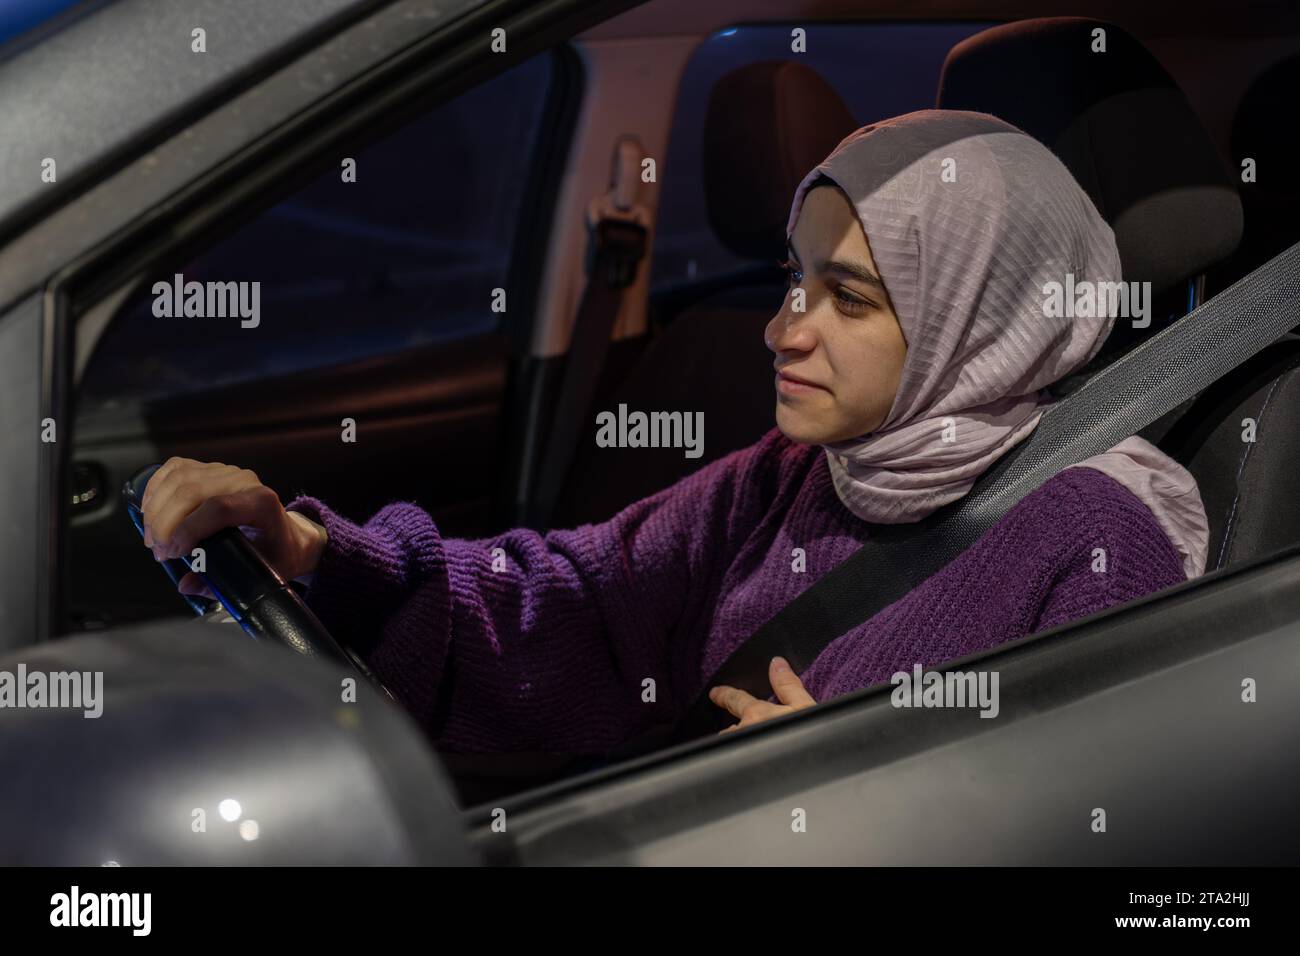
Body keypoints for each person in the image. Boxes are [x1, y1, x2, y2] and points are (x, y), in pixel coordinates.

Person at [139, 110, 1208, 756]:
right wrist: (319, 556)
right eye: (795, 279)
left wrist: (877, 801)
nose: (781, 327)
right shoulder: (800, 471)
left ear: (975, 316)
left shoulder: (1100, 535)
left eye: (848, 297)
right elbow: (590, 594)